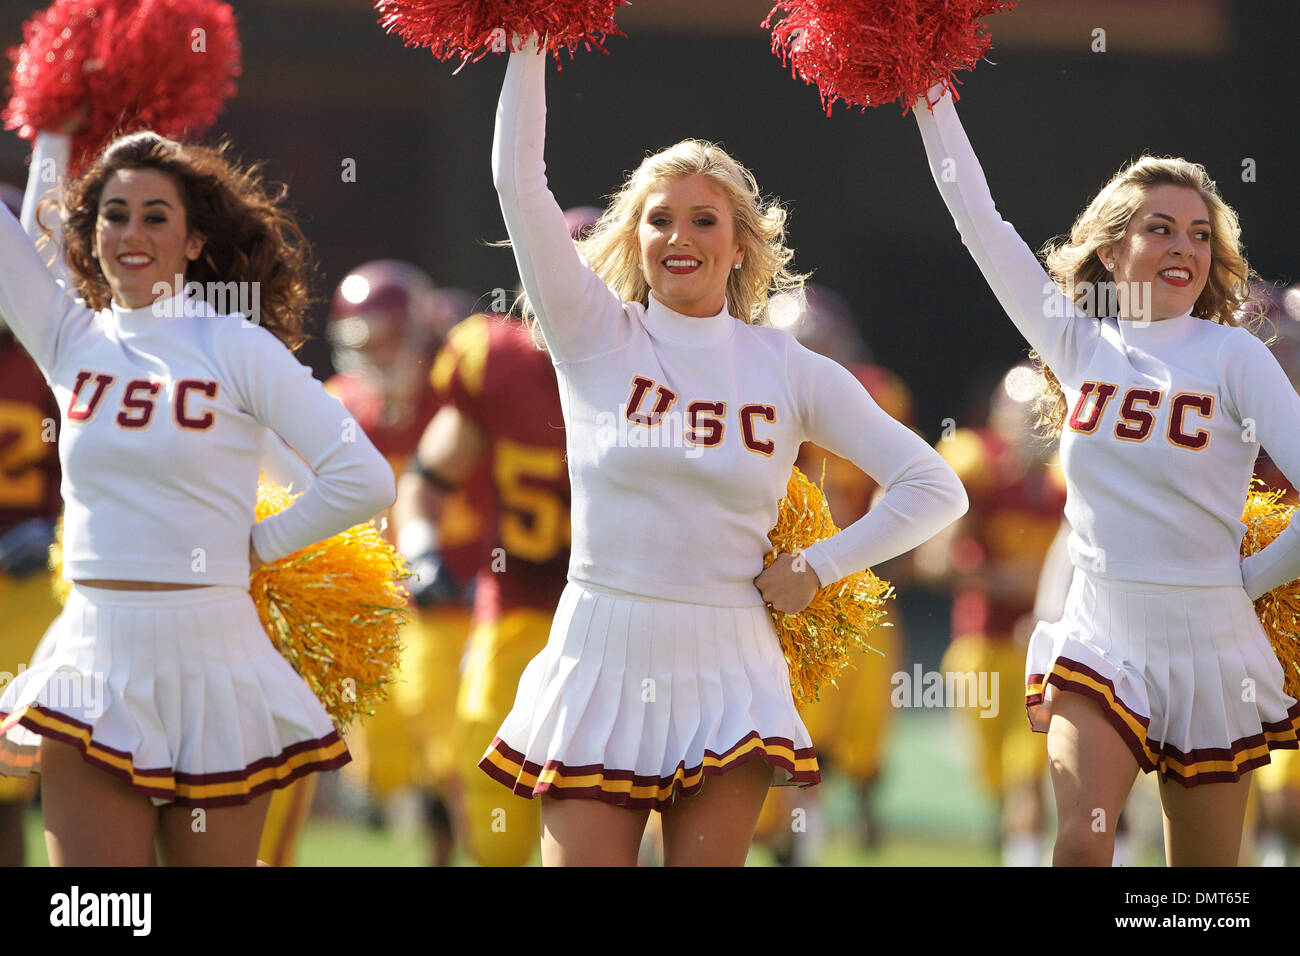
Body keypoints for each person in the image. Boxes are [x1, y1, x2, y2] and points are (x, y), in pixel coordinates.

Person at [479, 38, 968, 867]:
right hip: (601, 647)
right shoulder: (593, 335)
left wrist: (820, 565)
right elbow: (517, 182)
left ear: (741, 244)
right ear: (634, 239)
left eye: (704, 220)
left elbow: (933, 485)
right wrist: (531, 32)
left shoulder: (786, 368)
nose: (680, 237)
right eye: (659, 219)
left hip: (731, 665)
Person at [913, 85, 1300, 866]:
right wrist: (927, 87)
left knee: (1204, 885)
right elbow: (980, 223)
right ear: (1112, 249)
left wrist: (1254, 579)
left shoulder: (1236, 358)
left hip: (1213, 641)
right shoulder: (1080, 344)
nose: (1183, 248)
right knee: (1083, 848)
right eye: (1160, 230)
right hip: (1101, 635)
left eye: (1200, 234)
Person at [0, 127, 396, 866]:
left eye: (156, 215)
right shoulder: (69, 338)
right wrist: (51, 119)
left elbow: (364, 479)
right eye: (113, 214)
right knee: (97, 913)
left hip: (216, 657)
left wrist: (258, 545)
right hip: (94, 655)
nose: (131, 232)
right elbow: (21, 250)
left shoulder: (236, 346)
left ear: (192, 241)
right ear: (89, 234)